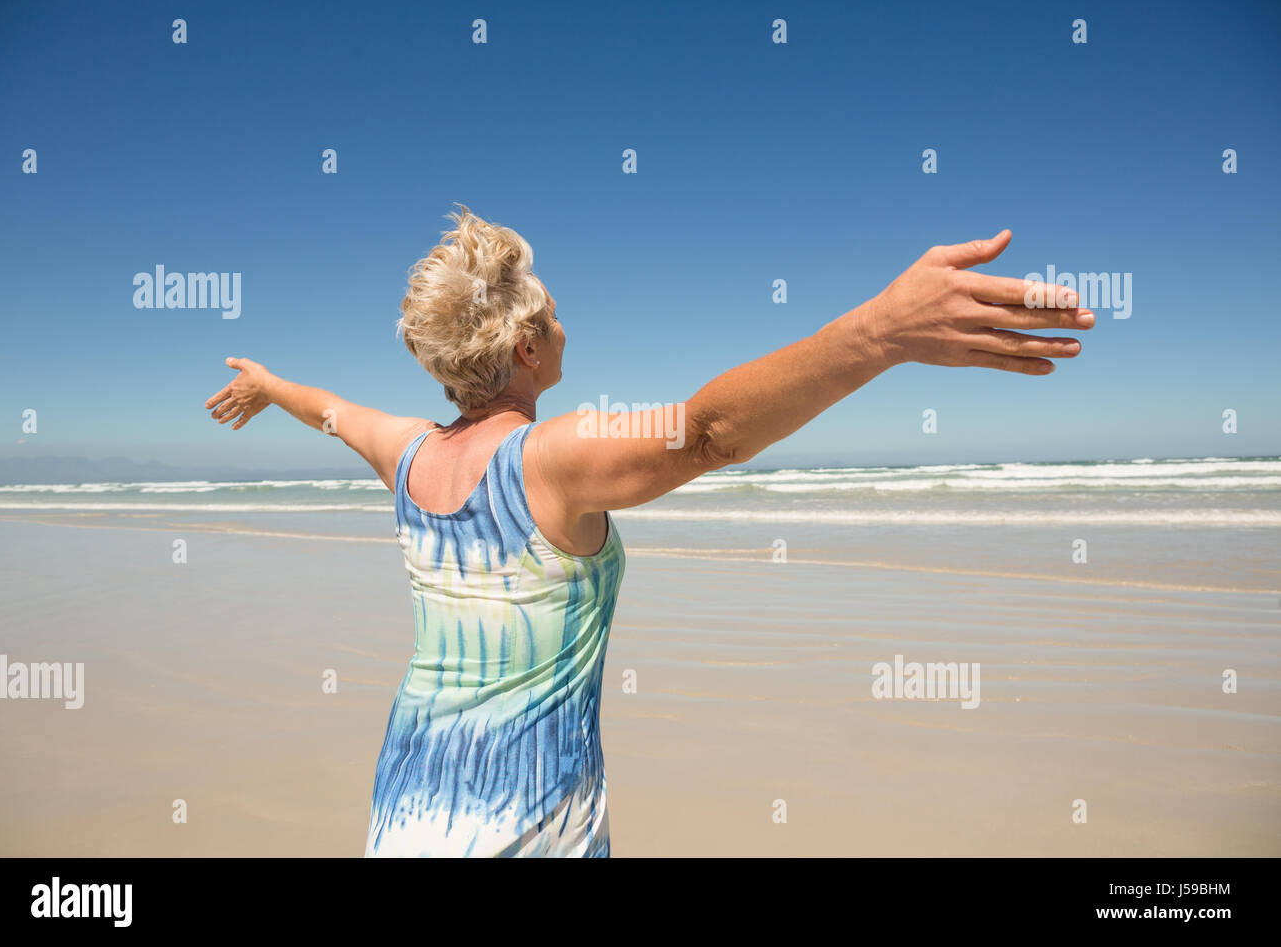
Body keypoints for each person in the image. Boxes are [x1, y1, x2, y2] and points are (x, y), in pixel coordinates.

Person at [203, 206, 1092, 856]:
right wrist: (880, 333)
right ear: (524, 349)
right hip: (527, 827)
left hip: (403, 816)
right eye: (550, 315)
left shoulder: (405, 454)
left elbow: (333, 411)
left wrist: (269, 384)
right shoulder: (550, 459)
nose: (564, 324)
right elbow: (708, 431)